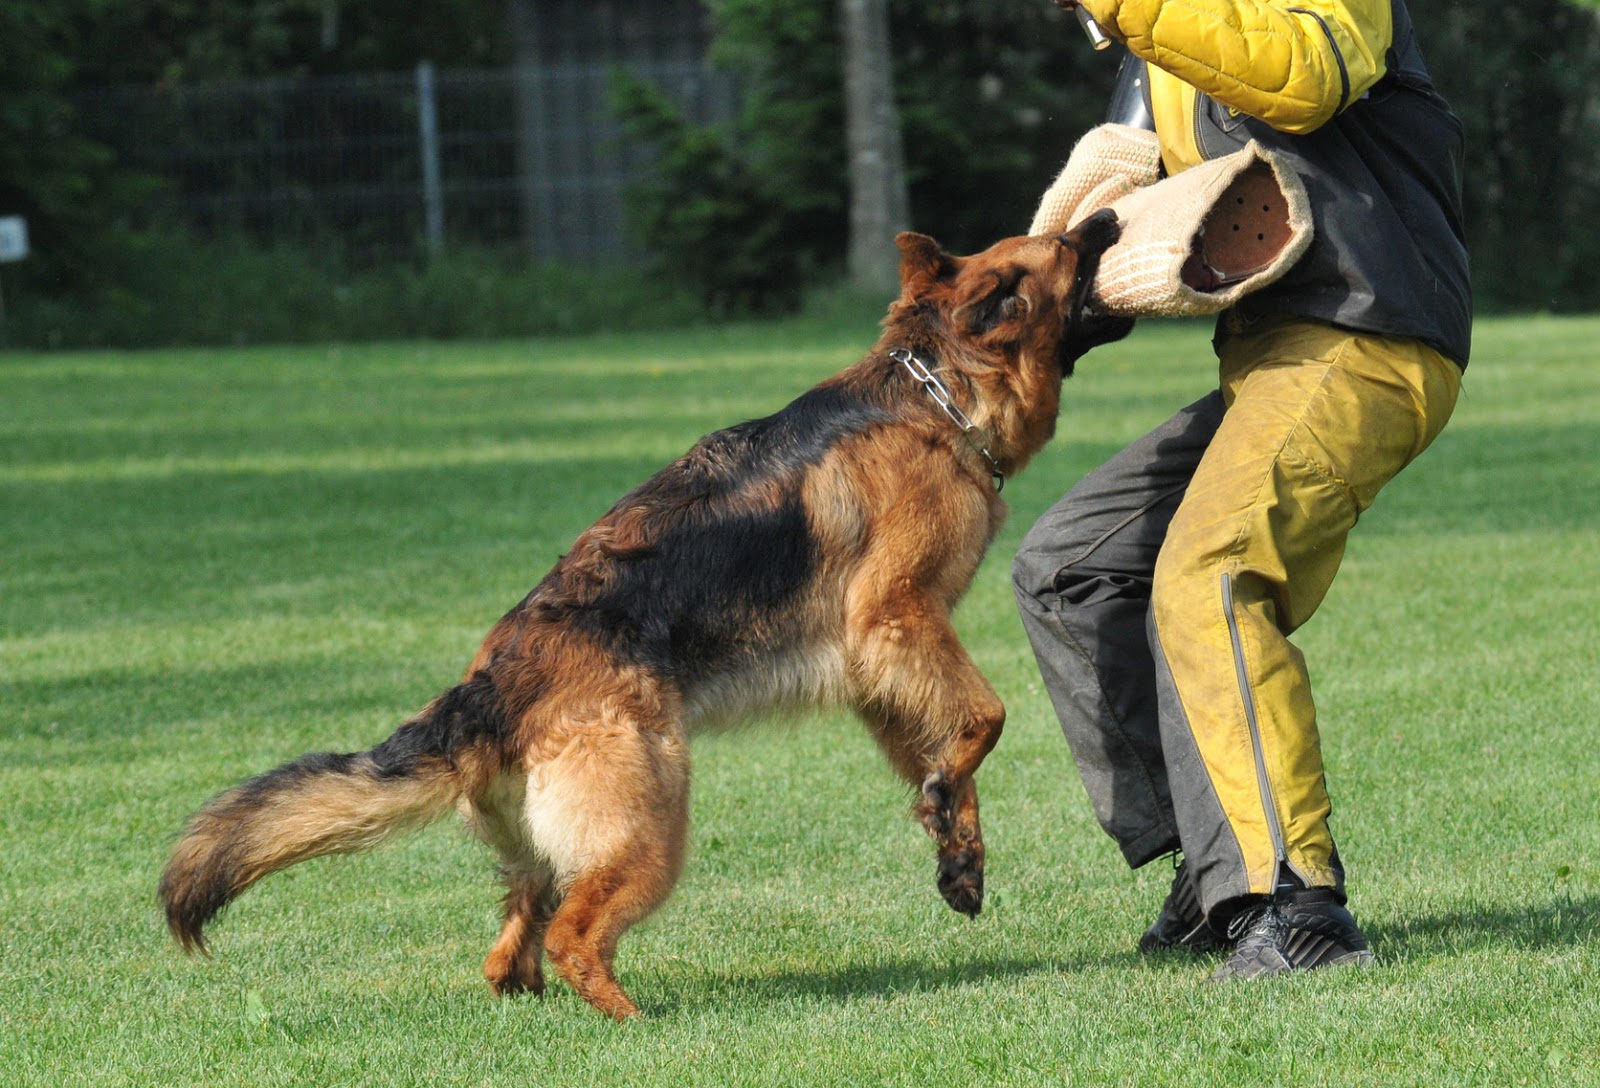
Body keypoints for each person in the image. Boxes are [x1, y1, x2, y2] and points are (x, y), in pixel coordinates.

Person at [1012, 0, 1471, 979]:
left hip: (1370, 340)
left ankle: (1299, 910)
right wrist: (1010, 309)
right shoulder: (1157, 40)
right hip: (1268, 364)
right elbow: (1115, 178)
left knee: (1211, 567)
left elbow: (1302, 76)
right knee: (1072, 565)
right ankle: (1218, 862)